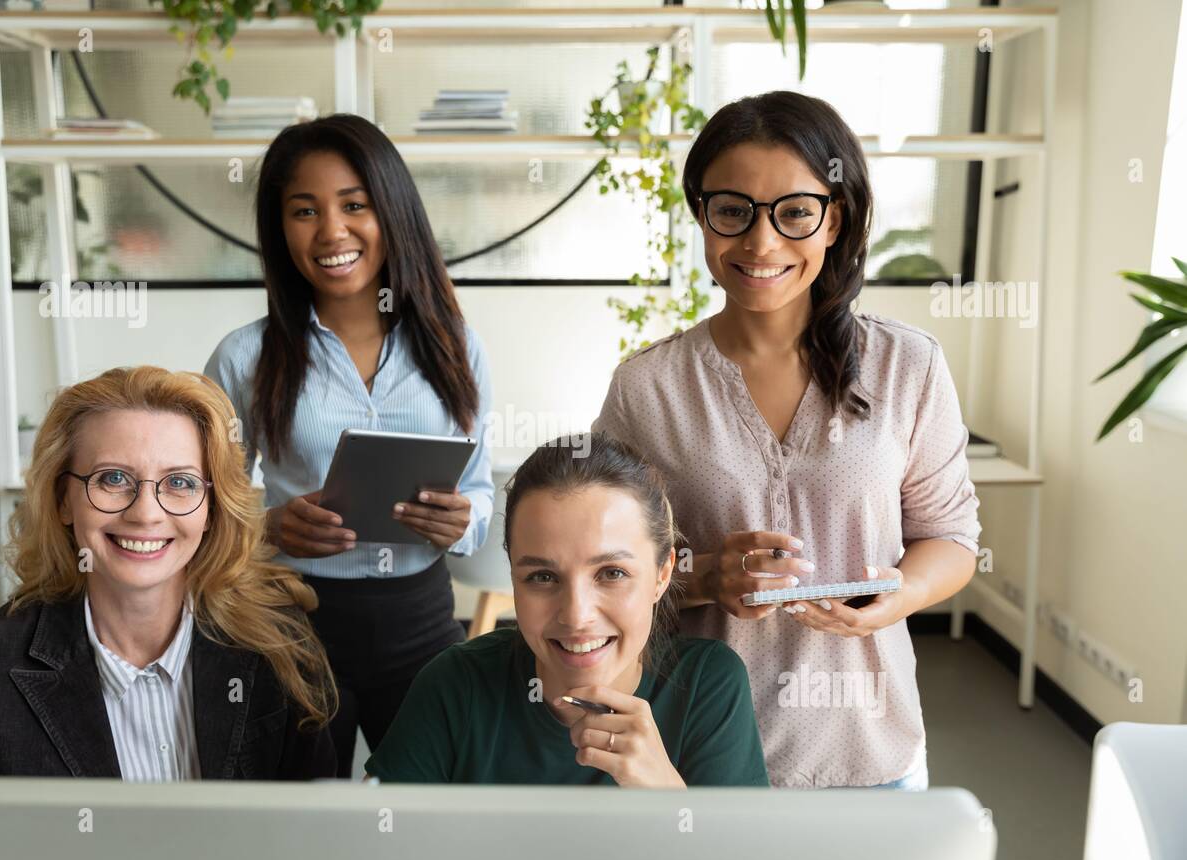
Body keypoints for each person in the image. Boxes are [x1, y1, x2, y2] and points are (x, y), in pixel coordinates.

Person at [593, 91, 981, 790]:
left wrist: (900, 593)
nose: (761, 242)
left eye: (795, 212)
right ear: (703, 217)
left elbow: (952, 538)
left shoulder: (907, 366)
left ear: (833, 220)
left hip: (869, 753)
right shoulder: (647, 387)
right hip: (700, 755)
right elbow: (604, 563)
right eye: (733, 211)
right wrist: (706, 575)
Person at [206, 114, 494, 777]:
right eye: (304, 210)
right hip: (294, 619)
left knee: (431, 806)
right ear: (281, 229)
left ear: (391, 212)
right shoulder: (245, 357)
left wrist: (463, 522)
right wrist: (268, 525)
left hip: (421, 616)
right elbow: (196, 502)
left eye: (354, 205)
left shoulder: (455, 345)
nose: (331, 231)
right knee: (300, 817)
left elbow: (477, 491)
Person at [0, 366, 338, 779]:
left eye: (180, 482)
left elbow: (310, 831)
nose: (145, 514)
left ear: (211, 510)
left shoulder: (279, 644)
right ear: (62, 500)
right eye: (113, 478)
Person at [365, 434, 768, 787]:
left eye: (612, 573)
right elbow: (370, 842)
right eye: (542, 577)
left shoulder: (708, 686)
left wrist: (666, 796)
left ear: (662, 574)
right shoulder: (457, 684)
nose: (576, 616)